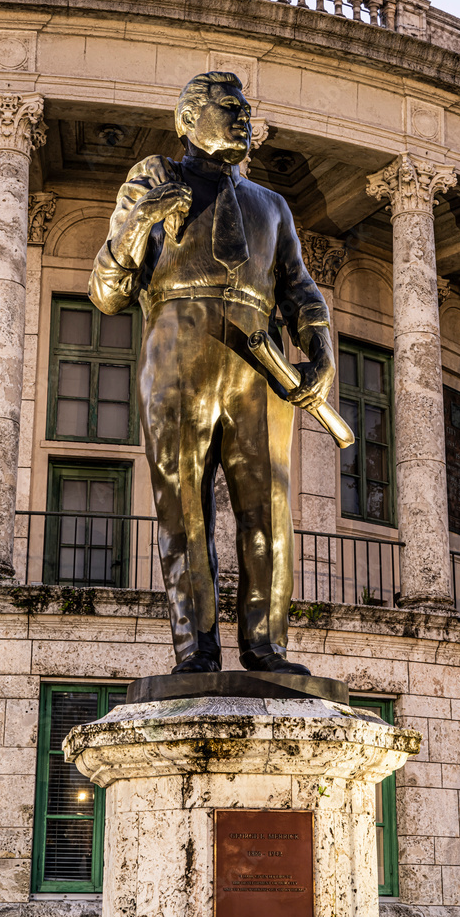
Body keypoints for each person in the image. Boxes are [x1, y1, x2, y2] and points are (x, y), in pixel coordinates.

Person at [89, 71, 335, 675]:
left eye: (245, 107)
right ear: (187, 119)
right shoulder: (154, 179)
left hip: (259, 359)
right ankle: (195, 649)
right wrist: (139, 222)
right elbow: (106, 292)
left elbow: (299, 288)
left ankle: (267, 648)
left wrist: (322, 354)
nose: (242, 116)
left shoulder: (272, 206)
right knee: (183, 505)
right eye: (229, 107)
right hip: (179, 345)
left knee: (268, 509)